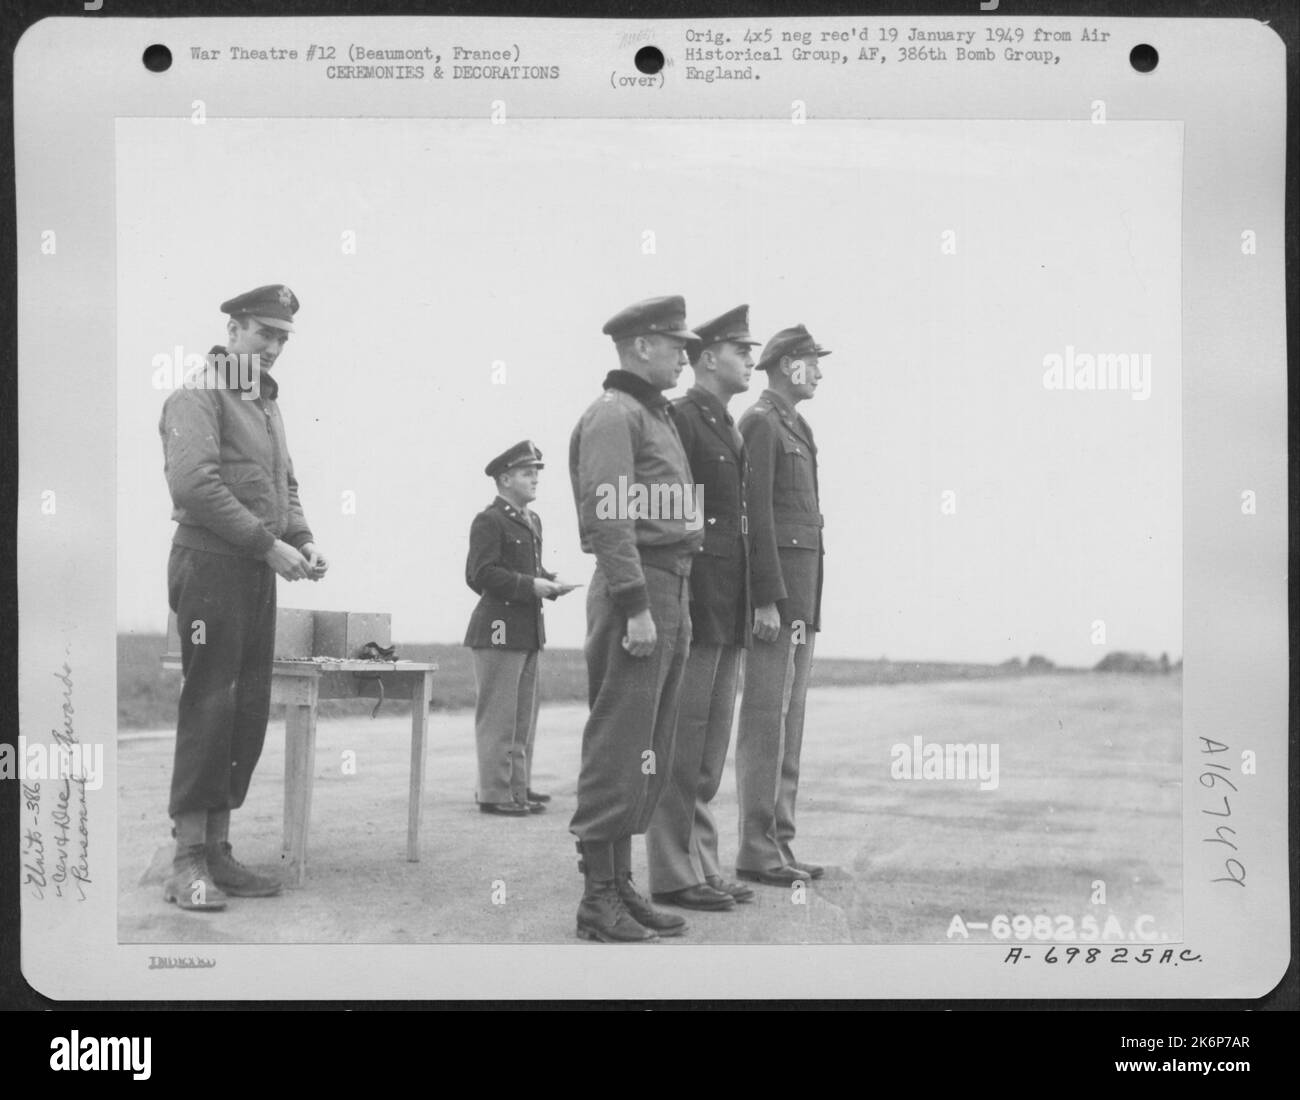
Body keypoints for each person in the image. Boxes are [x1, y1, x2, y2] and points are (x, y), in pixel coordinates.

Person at [159, 284, 327, 911]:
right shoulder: (197, 394)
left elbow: (284, 483)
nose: (275, 347)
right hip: (209, 564)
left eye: (283, 337)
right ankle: (187, 862)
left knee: (246, 710)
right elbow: (194, 485)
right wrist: (266, 545)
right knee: (210, 705)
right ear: (232, 330)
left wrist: (302, 540)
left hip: (256, 570)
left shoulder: (265, 406)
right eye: (264, 333)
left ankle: (219, 853)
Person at [568, 295, 705, 942]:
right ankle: (597, 898)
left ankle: (621, 886)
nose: (686, 354)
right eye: (675, 343)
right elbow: (610, 519)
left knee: (649, 748)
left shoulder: (656, 416)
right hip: (638, 592)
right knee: (619, 744)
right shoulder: (613, 416)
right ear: (640, 346)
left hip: (668, 587)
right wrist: (635, 607)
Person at [645, 305, 760, 912]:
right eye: (742, 350)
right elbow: (667, 511)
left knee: (709, 746)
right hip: (693, 596)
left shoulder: (729, 425)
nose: (751, 361)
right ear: (708, 357)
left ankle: (702, 863)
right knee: (681, 741)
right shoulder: (684, 418)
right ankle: (671, 871)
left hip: (725, 601)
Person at [734, 324, 830, 888]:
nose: (817, 372)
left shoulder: (797, 425)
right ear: (787, 364)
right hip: (778, 603)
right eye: (811, 362)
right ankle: (756, 846)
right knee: (765, 722)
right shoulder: (761, 424)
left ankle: (779, 842)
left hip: (802, 598)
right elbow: (757, 520)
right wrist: (766, 598)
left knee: (789, 722)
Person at [463, 440, 576, 816]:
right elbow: (480, 574)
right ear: (504, 478)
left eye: (536, 473)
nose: (534, 479)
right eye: (527, 473)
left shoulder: (531, 520)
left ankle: (518, 788)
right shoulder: (489, 520)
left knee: (523, 714)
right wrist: (530, 585)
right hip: (498, 627)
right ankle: (496, 794)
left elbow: (523, 569)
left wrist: (548, 581)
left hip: (526, 628)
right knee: (499, 715)